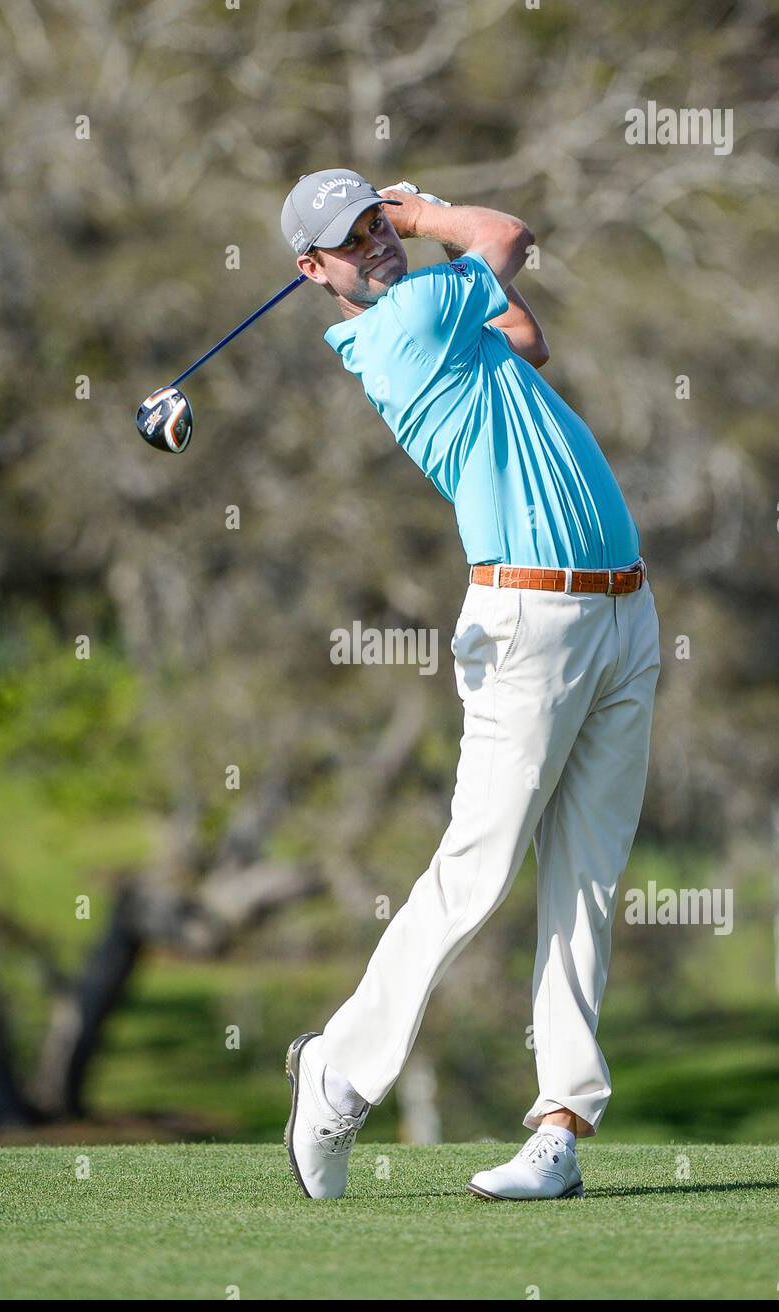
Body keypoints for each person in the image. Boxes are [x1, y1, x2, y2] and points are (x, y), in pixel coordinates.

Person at [280, 168, 661, 1200]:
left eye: (376, 224)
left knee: (584, 876)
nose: (377, 243)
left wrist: (428, 235)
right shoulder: (398, 328)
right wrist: (423, 210)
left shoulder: (442, 320)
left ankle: (558, 1126)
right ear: (316, 273)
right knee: (475, 869)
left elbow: (526, 338)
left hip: (622, 611)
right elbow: (505, 231)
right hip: (527, 621)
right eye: (354, 239)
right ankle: (338, 1071)